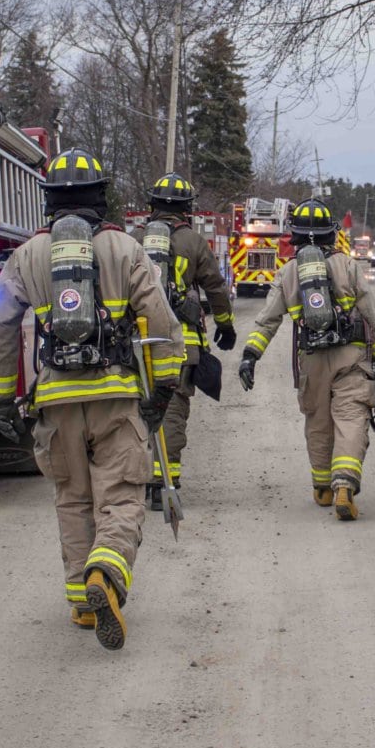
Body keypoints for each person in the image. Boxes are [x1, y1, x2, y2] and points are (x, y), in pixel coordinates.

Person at [0, 148, 184, 650]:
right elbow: (159, 320)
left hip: (55, 399)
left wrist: (2, 399)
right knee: (120, 493)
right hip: (115, 395)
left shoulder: (27, 255)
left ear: (48, 199)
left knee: (72, 498)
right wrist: (161, 386)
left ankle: (80, 602)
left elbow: (0, 329)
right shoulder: (124, 247)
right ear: (101, 196)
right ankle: (106, 572)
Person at [237, 198, 375, 520]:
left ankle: (323, 488)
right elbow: (371, 314)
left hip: (311, 362)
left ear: (294, 235)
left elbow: (267, 321)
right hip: (351, 356)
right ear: (330, 234)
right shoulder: (349, 266)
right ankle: (345, 485)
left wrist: (249, 356)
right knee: (352, 418)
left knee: (319, 424)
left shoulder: (288, 273)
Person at [132, 172, 237, 511]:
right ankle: (165, 481)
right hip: (180, 346)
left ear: (152, 205)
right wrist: (226, 324)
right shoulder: (193, 242)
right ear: (187, 208)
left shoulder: (132, 238)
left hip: (135, 344)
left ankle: (139, 476)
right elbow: (216, 287)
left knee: (134, 411)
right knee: (173, 410)